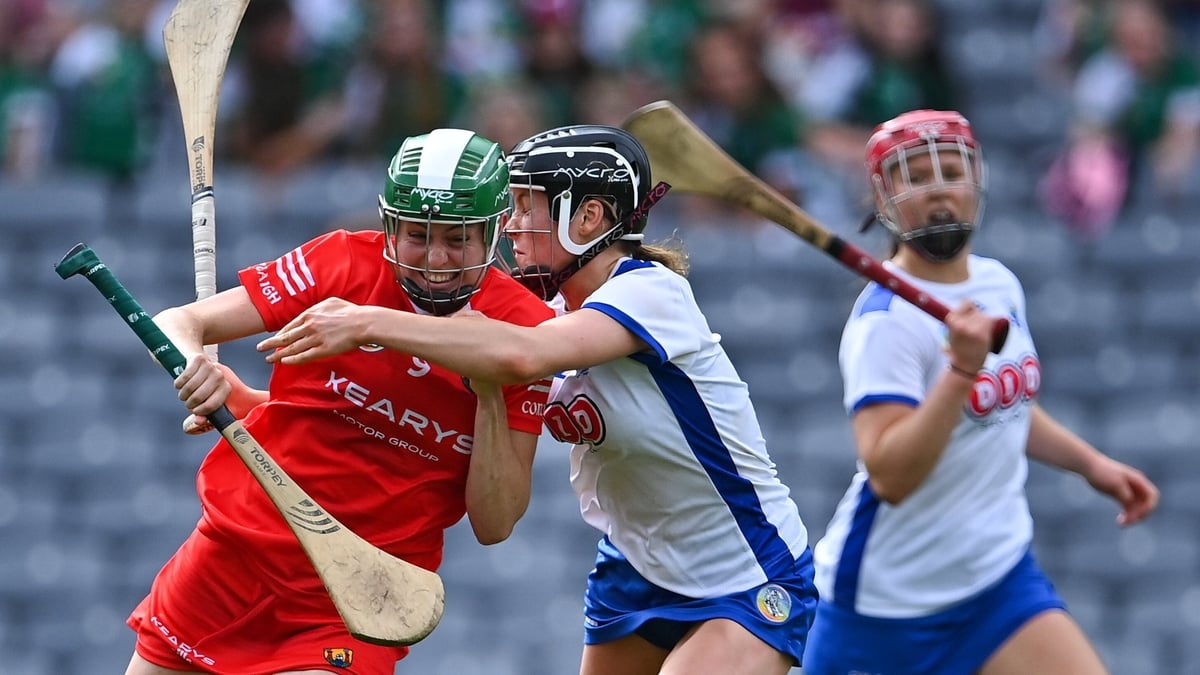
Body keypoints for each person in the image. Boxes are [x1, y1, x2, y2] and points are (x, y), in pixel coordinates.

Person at [255, 125, 820, 675]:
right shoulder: (546, 311)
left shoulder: (648, 292)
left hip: (743, 570)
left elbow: (522, 356)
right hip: (635, 566)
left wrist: (365, 321)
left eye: (527, 208)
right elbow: (413, 408)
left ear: (589, 217)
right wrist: (254, 404)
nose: (512, 226)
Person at [123, 128, 555, 675]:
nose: (435, 259)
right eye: (417, 235)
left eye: (457, 239)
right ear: (390, 226)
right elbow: (179, 322)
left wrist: (488, 385)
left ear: (493, 233)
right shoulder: (343, 263)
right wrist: (198, 367)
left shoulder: (525, 333)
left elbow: (495, 523)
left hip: (356, 596)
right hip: (230, 555)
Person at [800, 109, 1161, 675]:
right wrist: (960, 372)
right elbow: (891, 476)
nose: (938, 189)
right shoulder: (884, 323)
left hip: (996, 580)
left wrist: (1091, 465)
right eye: (916, 176)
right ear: (884, 197)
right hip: (884, 608)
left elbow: (1005, 407)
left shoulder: (998, 284)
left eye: (951, 171)